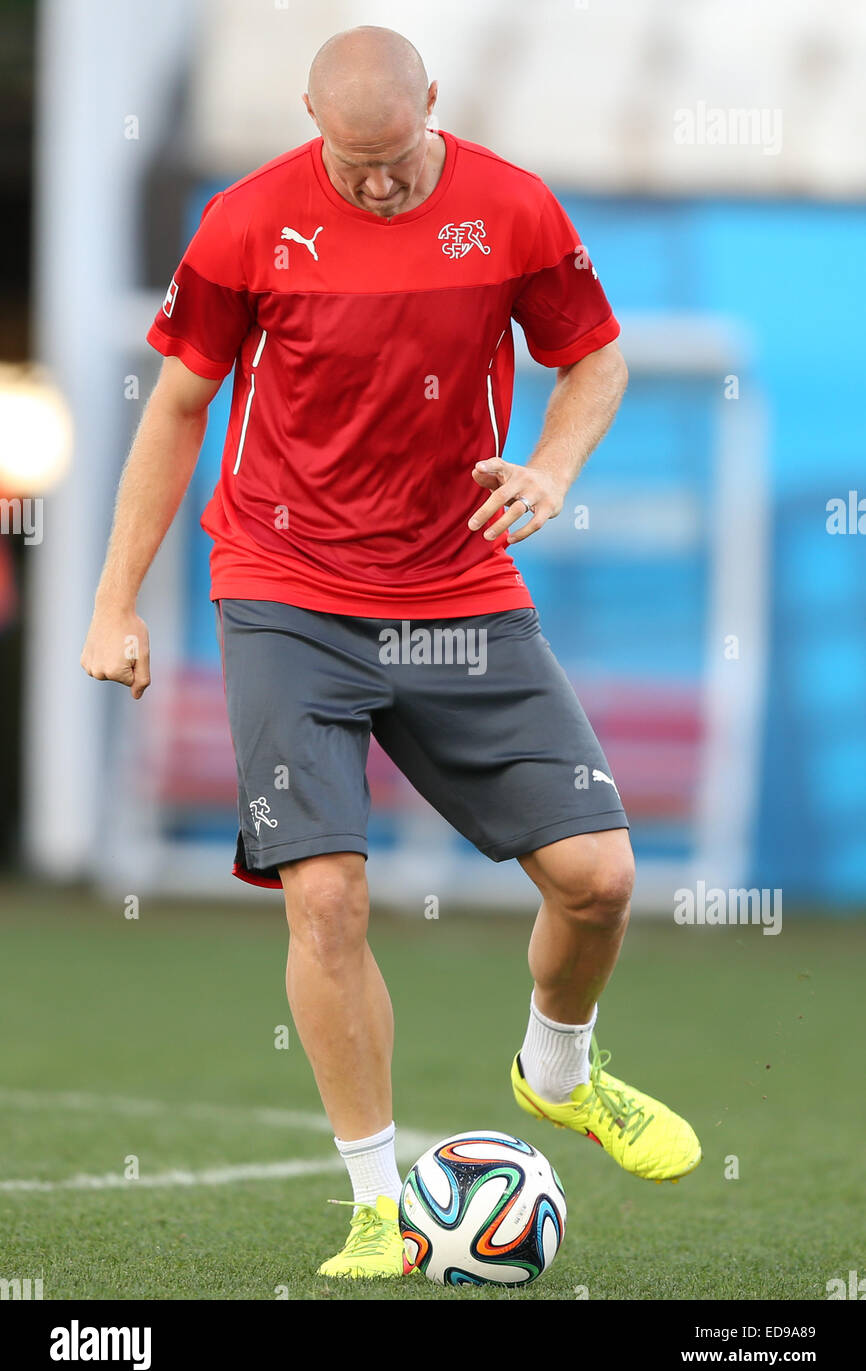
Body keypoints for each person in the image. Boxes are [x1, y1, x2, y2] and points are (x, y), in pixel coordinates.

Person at [81, 25, 700, 1280]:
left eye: (396, 155)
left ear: (434, 101)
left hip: (456, 585)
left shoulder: (513, 209)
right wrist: (114, 601)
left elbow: (593, 356)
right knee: (326, 897)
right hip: (285, 589)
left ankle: (558, 1072)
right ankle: (376, 1205)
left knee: (599, 879)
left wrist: (553, 466)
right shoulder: (243, 226)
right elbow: (181, 407)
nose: (376, 182)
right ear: (309, 115)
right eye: (349, 159)